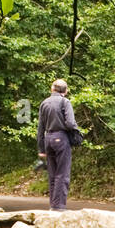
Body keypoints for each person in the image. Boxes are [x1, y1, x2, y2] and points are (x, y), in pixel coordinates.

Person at [37, 79, 78, 211]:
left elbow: (40, 128)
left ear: (52, 89)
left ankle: (53, 205)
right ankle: (59, 207)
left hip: (48, 138)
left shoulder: (44, 103)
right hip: (61, 138)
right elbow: (71, 123)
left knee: (53, 174)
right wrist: (74, 132)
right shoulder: (65, 102)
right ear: (65, 91)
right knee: (63, 173)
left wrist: (41, 149)